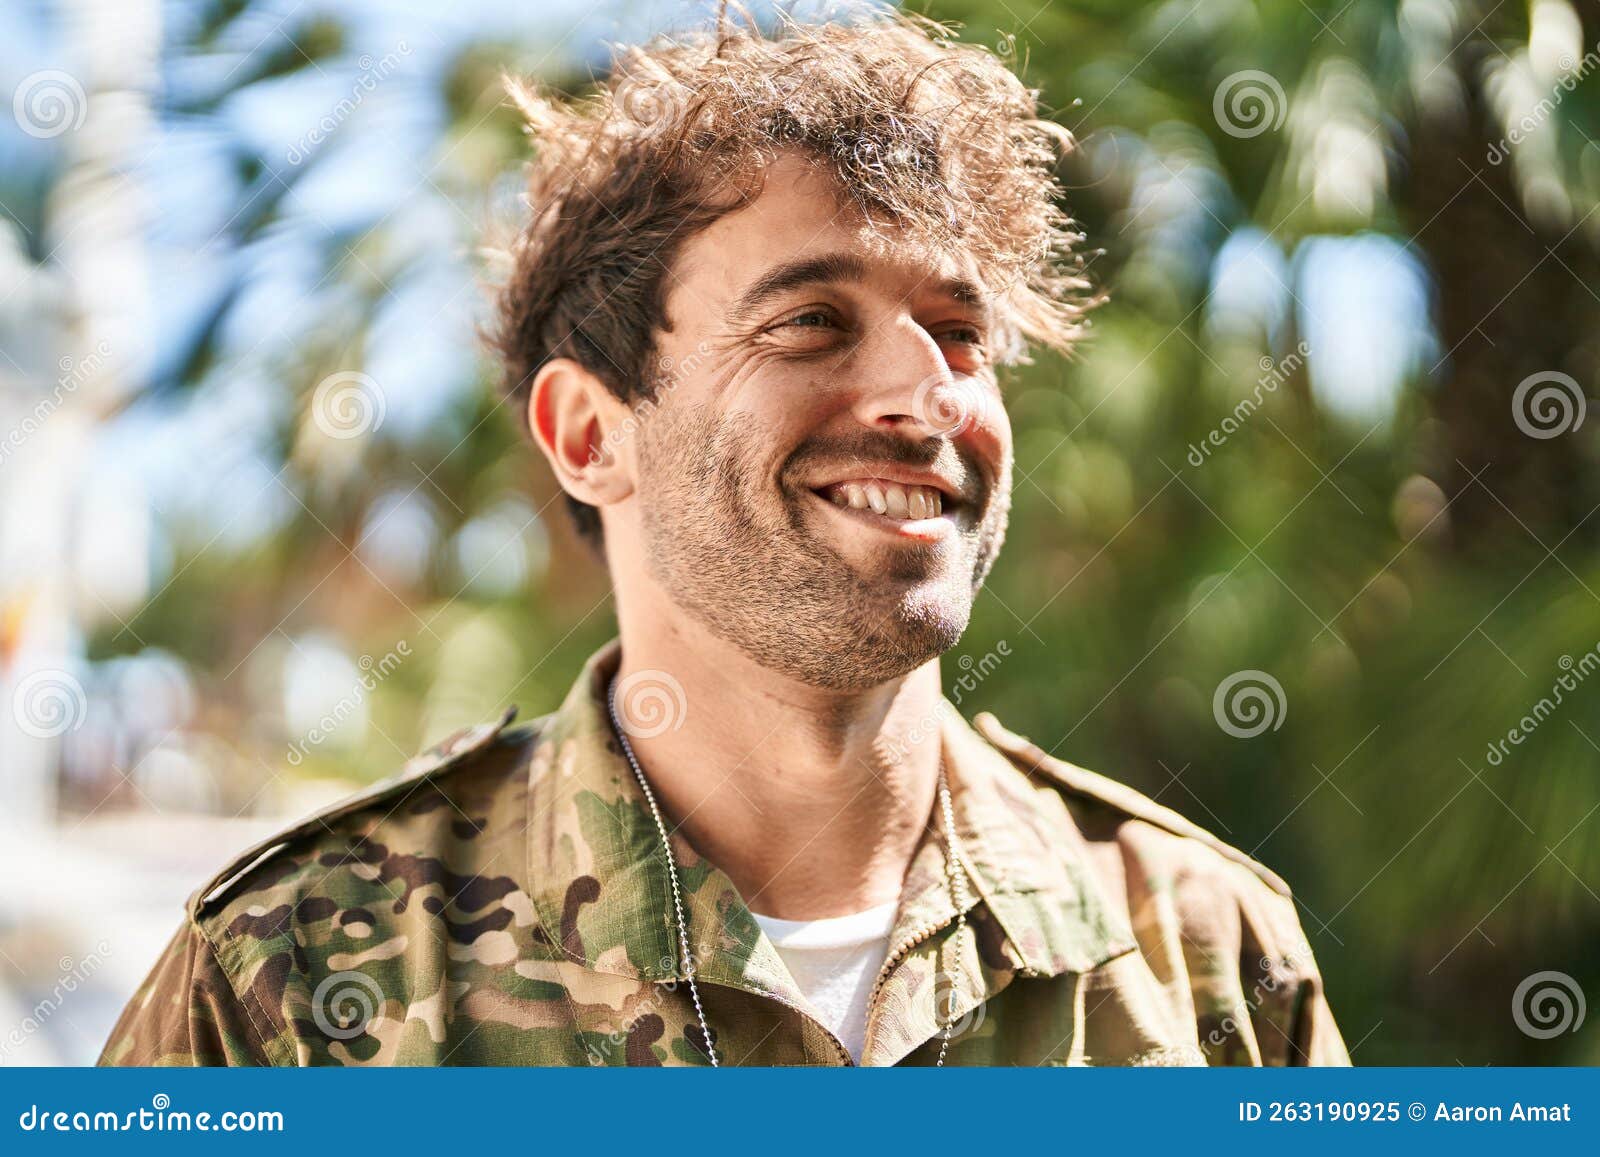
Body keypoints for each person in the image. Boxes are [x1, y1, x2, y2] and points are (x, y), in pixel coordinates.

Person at [99, 6, 1347, 1067]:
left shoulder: (1210, 959)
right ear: (591, 433)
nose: (930, 395)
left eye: (960, 333)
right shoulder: (293, 977)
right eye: (810, 321)